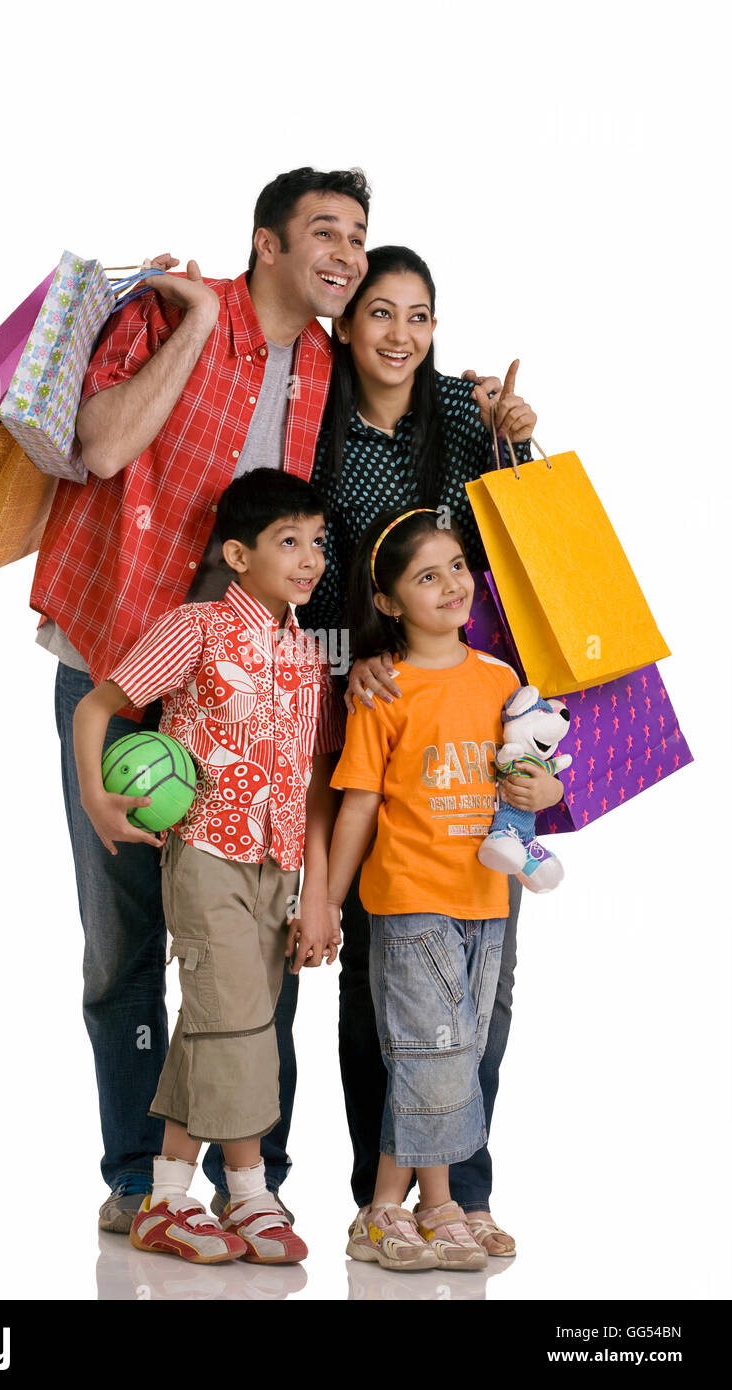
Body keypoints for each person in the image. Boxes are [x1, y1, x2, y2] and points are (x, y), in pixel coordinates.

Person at [30, 167, 370, 1231]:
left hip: (250, 697)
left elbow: (378, 452)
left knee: (255, 945)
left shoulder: (326, 363)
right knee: (124, 944)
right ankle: (140, 1180)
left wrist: (494, 419)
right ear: (266, 242)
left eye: (358, 236)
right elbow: (101, 445)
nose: (348, 256)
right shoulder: (168, 312)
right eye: (326, 232)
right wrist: (202, 320)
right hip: (127, 661)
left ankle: (245, 1180)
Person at [301, 245, 564, 1255]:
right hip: (368, 694)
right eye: (380, 314)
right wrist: (352, 665)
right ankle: (381, 1198)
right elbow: (312, 565)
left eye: (419, 315)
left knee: (482, 991)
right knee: (389, 988)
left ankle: (463, 1190)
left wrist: (517, 439)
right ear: (345, 325)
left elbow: (510, 539)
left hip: (473, 702)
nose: (400, 335)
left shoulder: (458, 412)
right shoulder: (315, 415)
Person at [71, 469, 342, 1263]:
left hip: (277, 866)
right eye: (287, 542)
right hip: (205, 854)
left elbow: (317, 779)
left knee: (211, 1022)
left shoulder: (304, 655)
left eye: (316, 543)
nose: (308, 558)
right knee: (241, 1023)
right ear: (236, 552)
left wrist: (317, 893)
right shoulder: (193, 628)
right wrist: (96, 795)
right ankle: (251, 1192)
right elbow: (98, 706)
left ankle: (166, 1199)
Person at [327, 508, 525, 1270]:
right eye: (425, 575)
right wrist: (322, 905)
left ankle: (385, 1212)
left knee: (450, 1052)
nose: (450, 585)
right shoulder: (384, 691)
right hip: (409, 897)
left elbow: (513, 787)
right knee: (429, 1053)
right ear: (386, 602)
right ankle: (424, 1206)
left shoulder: (501, 680)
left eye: (454, 566)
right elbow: (359, 803)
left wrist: (532, 793)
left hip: (484, 900)